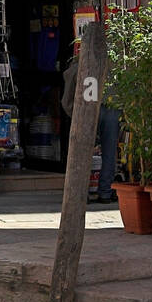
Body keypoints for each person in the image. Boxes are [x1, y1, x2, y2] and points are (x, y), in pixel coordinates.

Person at [61, 38, 119, 204]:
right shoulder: (112, 62)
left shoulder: (81, 62)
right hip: (111, 107)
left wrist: (72, 111)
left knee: (83, 151)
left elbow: (68, 91)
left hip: (88, 108)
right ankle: (105, 192)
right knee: (109, 152)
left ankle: (81, 192)